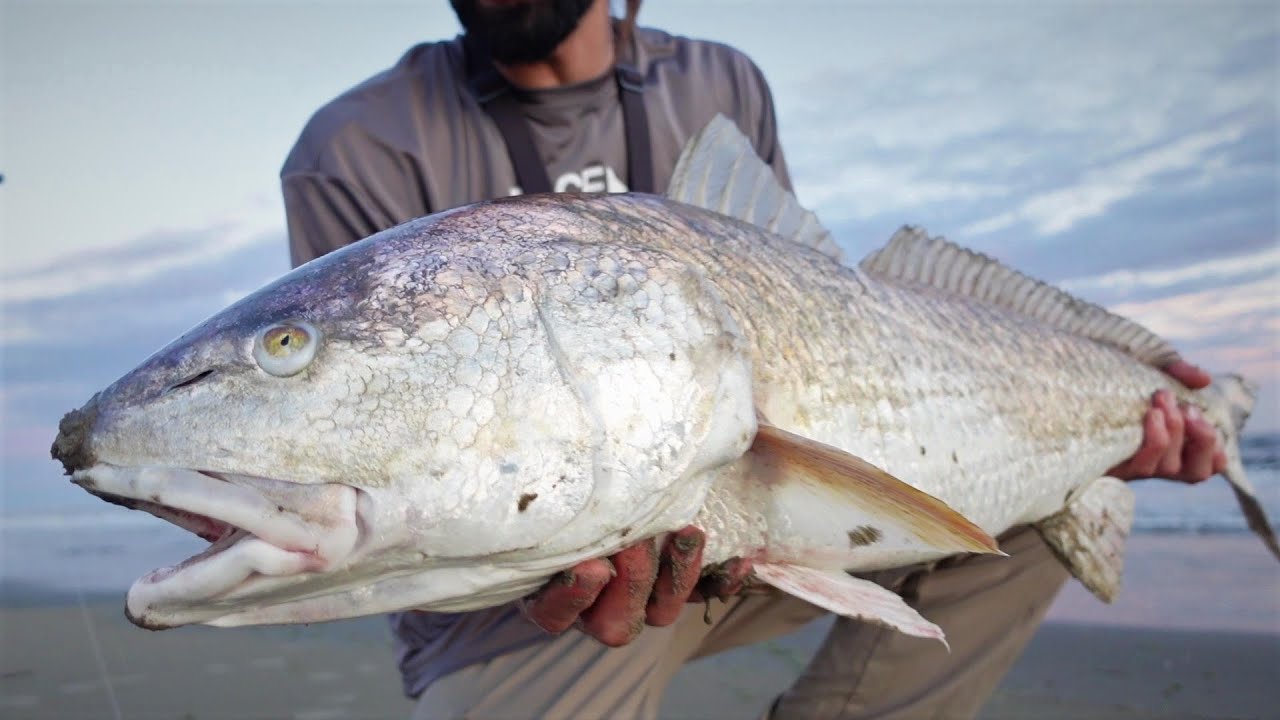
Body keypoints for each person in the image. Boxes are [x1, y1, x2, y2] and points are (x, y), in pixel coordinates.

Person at [280, 1, 1227, 717]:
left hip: (750, 520)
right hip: (515, 602)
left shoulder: (720, 82)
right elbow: (354, 438)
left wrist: (1118, 416)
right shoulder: (357, 148)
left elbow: (801, 301)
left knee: (1030, 502)